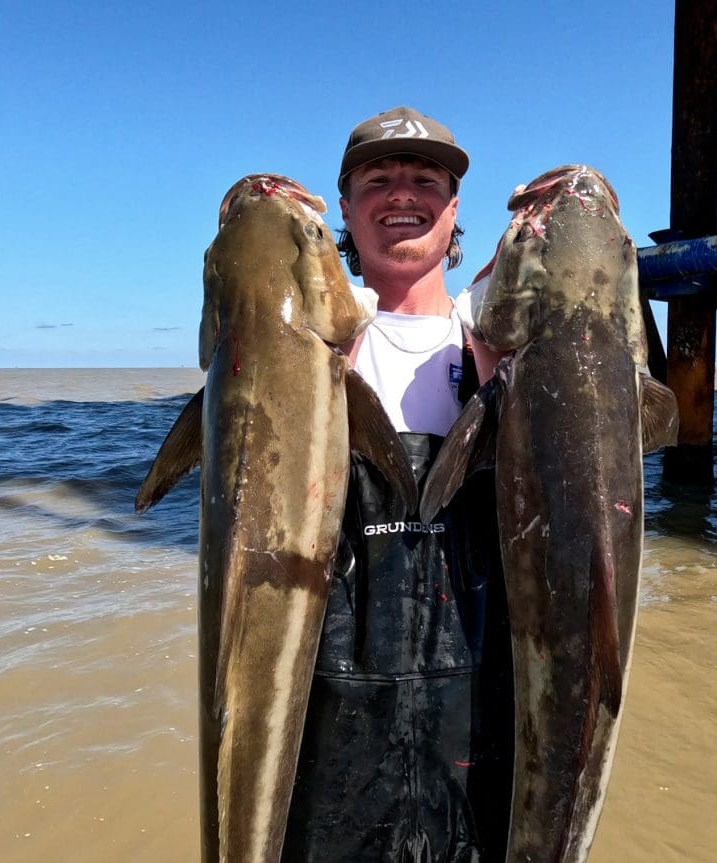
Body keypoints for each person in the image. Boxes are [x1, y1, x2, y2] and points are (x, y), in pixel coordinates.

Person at [280, 106, 514, 863]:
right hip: (332, 714)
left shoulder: (504, 345)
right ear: (343, 208)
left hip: (480, 710)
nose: (402, 194)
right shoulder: (303, 341)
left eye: (427, 180)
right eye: (378, 180)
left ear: (454, 210)